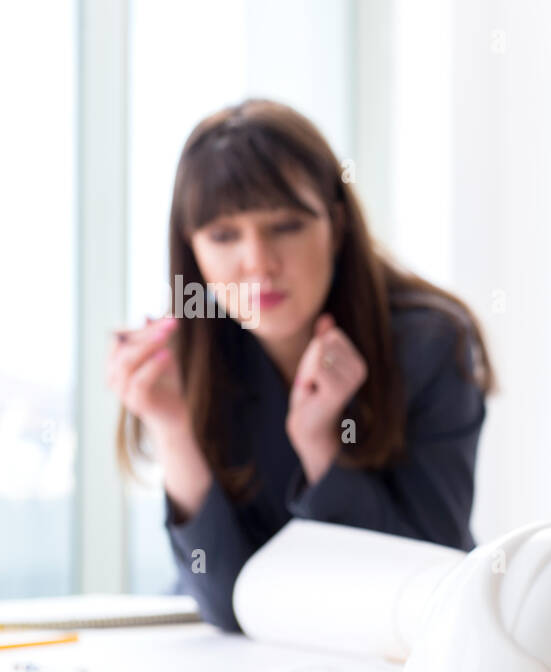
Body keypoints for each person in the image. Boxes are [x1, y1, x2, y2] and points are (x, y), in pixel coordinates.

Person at [110, 99, 493, 631]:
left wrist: (323, 449)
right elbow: (225, 603)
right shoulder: (191, 362)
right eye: (224, 235)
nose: (259, 263)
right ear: (191, 249)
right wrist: (173, 430)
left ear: (335, 225)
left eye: (286, 225)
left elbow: (427, 582)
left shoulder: (430, 344)